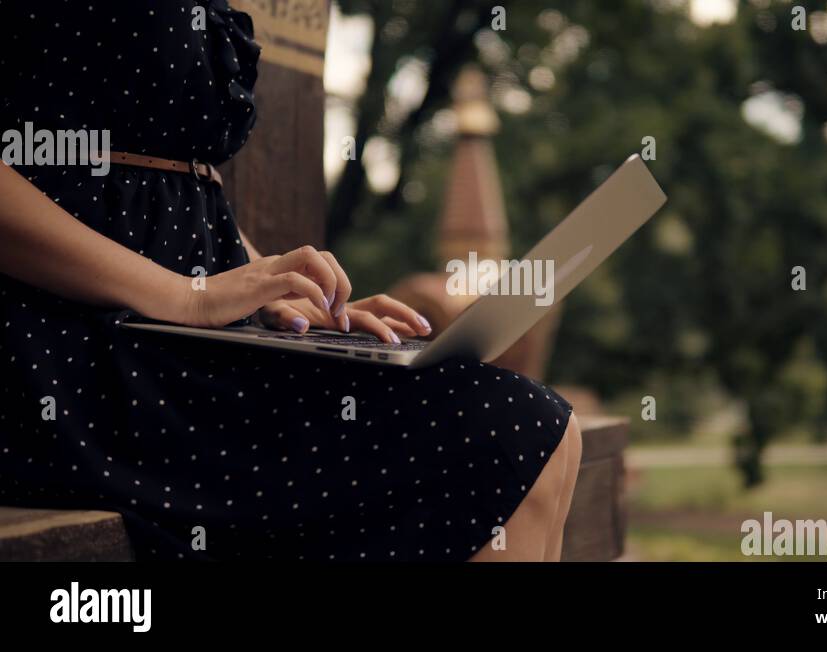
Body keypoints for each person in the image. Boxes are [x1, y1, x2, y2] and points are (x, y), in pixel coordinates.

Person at [0, 0, 581, 561]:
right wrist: (184, 295)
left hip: (193, 331)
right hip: (66, 341)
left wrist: (275, 285)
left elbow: (181, 183)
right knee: (503, 431)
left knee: (550, 434)